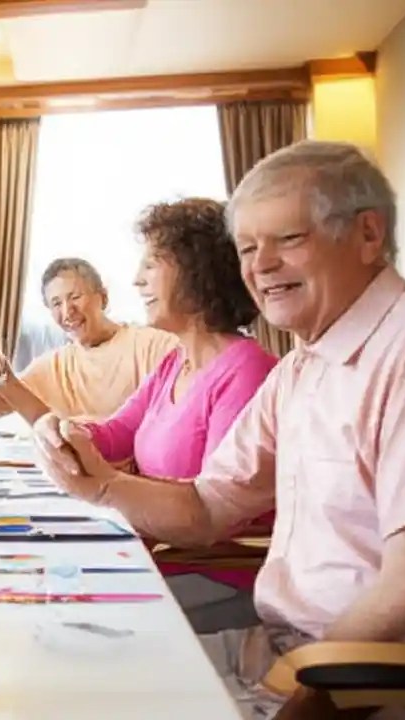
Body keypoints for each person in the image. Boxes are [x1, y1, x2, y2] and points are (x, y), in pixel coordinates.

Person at [35, 141, 405, 719]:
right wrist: (99, 486)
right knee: (63, 677)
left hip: (400, 686)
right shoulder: (301, 367)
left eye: (288, 240)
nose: (260, 266)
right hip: (289, 653)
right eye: (247, 247)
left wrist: (302, 699)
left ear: (369, 235)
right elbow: (207, 505)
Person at [76, 198, 278, 631]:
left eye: (151, 265)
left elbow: (217, 511)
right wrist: (64, 432)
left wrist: (109, 487)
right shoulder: (175, 362)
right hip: (160, 554)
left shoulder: (246, 372)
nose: (136, 280)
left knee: (72, 614)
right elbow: (116, 433)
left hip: (213, 570)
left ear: (196, 271)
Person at [0, 258, 176, 425]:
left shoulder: (152, 344)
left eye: (75, 297)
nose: (67, 312)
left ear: (103, 297)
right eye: (56, 303)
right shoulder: (55, 364)